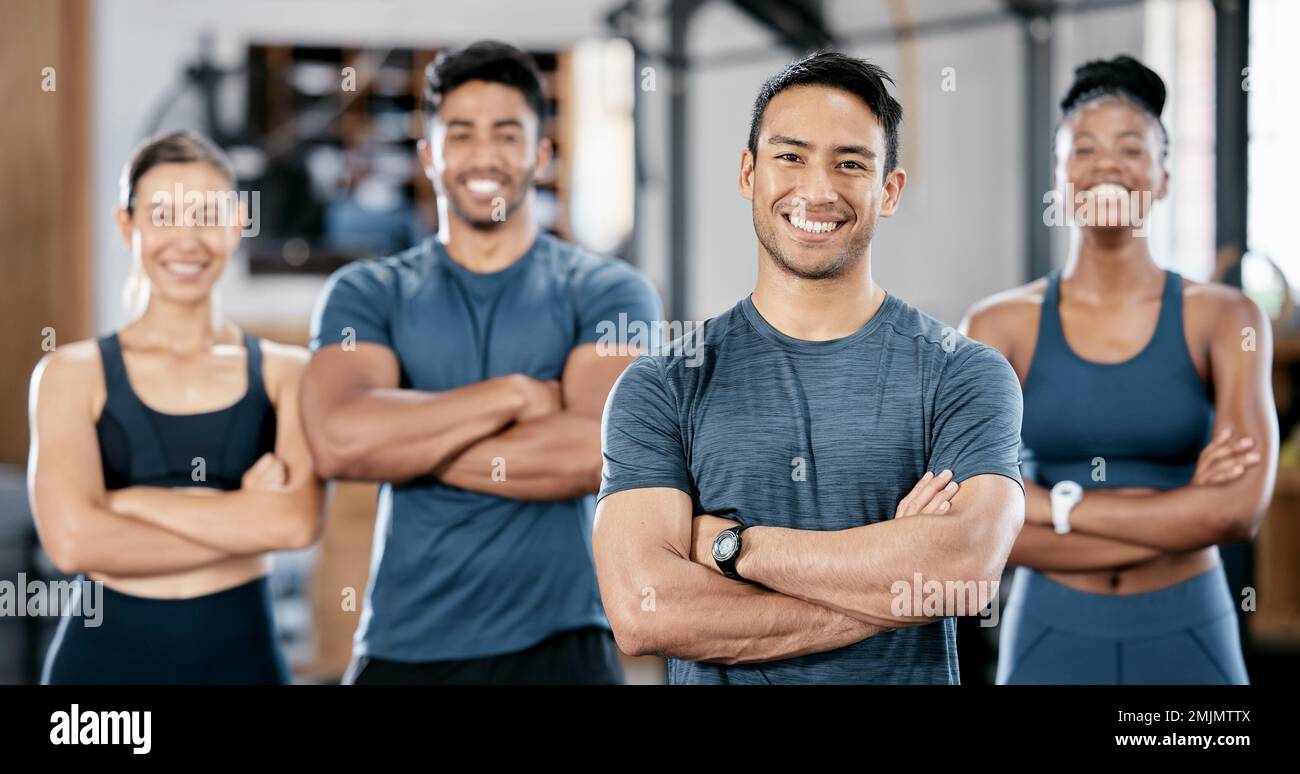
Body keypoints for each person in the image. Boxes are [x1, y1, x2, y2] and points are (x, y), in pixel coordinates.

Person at [592, 51, 1025, 685]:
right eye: (790, 156)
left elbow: (964, 572)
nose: (817, 190)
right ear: (748, 172)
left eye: (850, 164)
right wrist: (889, 584)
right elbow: (644, 612)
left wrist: (733, 548)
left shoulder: (964, 375)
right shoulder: (662, 385)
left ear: (890, 190)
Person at [300, 41, 662, 685]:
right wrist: (515, 396)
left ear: (541, 153)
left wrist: (403, 444)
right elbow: (337, 441)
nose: (484, 155)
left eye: (507, 133)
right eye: (460, 134)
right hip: (403, 644)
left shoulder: (608, 291)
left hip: (562, 642)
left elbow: (593, 455)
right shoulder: (367, 292)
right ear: (428, 155)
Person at [961, 55, 1278, 684]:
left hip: (1189, 622)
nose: (1108, 164)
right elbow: (972, 528)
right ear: (1059, 177)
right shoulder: (998, 325)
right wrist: (1186, 508)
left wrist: (1055, 505)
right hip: (1048, 626)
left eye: (1132, 148)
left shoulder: (1225, 316)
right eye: (1084, 149)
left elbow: (1239, 511)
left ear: (1163, 176)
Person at [29, 130, 325, 684]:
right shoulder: (70, 375)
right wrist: (241, 518)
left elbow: (293, 524)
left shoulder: (289, 372)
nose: (186, 239)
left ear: (238, 224)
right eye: (163, 215)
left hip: (243, 663)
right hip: (102, 676)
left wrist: (129, 502)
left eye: (208, 215)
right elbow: (72, 543)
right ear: (127, 226)